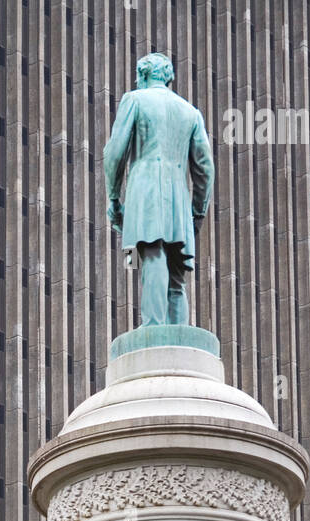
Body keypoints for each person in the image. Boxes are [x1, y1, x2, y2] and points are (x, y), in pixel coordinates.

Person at [104, 52, 214, 327]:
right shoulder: (190, 112)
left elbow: (115, 153)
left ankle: (153, 332)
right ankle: (179, 338)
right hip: (178, 198)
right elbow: (205, 168)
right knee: (177, 275)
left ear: (142, 75)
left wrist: (114, 196)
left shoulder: (135, 100)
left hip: (147, 192)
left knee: (153, 254)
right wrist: (197, 211)